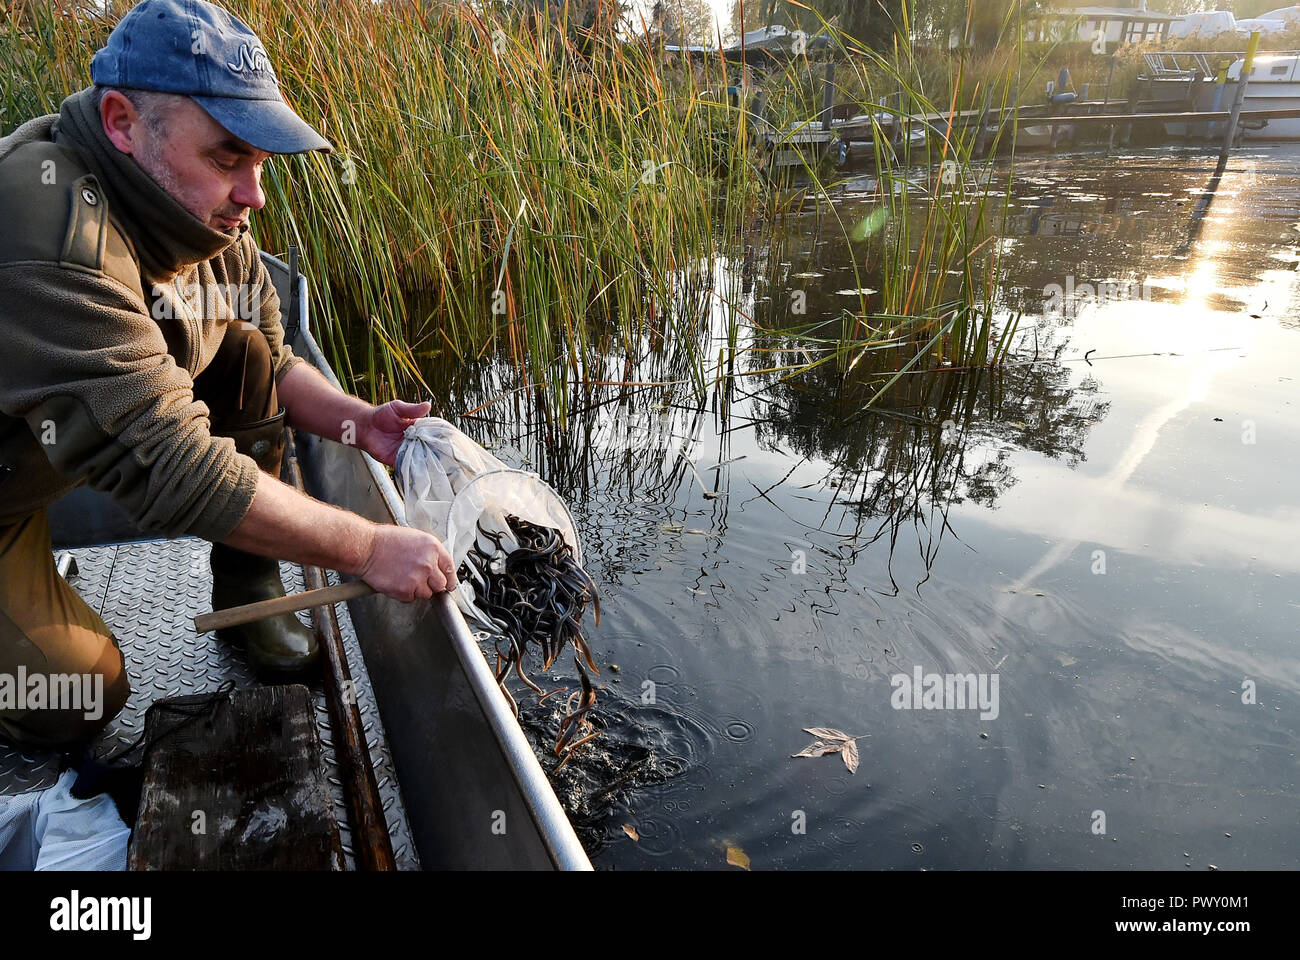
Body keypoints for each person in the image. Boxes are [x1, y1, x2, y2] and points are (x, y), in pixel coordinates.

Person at [0, 0, 458, 751]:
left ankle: (250, 582)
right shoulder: (48, 235)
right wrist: (370, 548)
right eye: (226, 157)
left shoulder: (195, 214)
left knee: (238, 342)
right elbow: (175, 467)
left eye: (259, 161)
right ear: (122, 122)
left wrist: (358, 420)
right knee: (77, 692)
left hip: (31, 452)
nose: (255, 195)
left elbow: (270, 365)